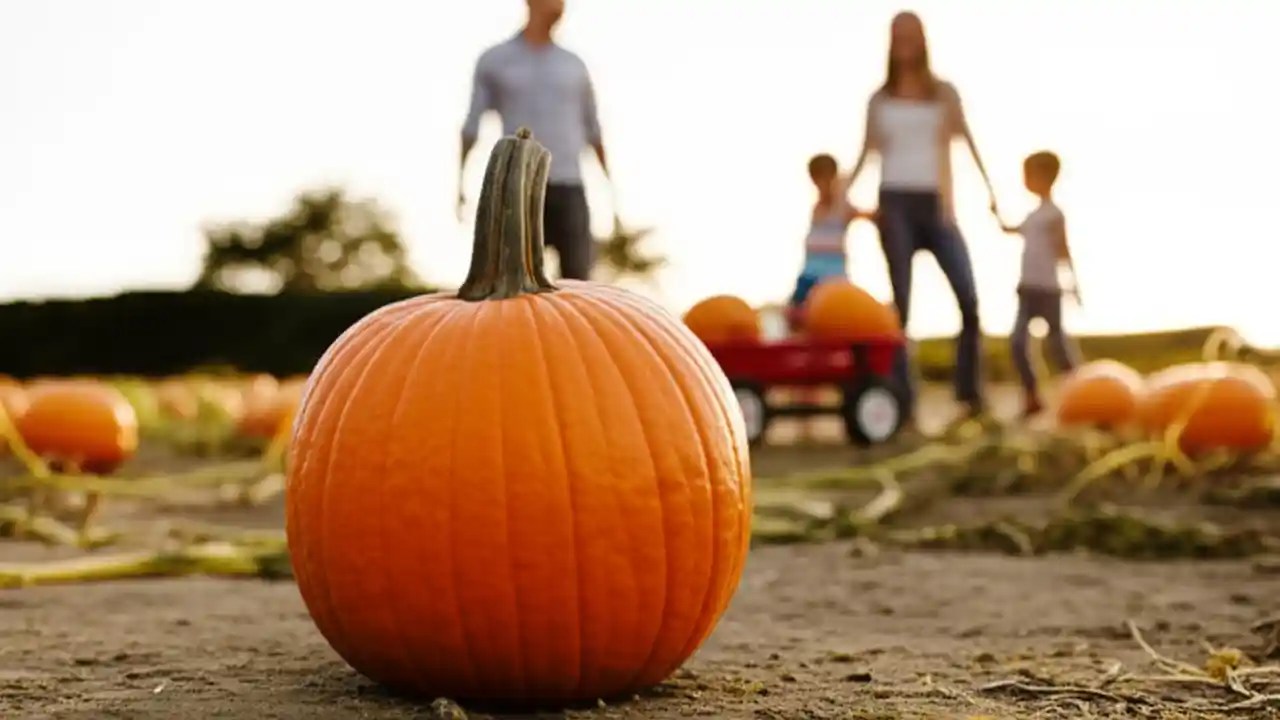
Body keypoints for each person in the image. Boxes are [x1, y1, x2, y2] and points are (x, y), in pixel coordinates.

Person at [840, 11, 999, 426]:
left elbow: (969, 143)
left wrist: (992, 194)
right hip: (894, 205)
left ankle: (969, 393)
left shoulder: (943, 93)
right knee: (901, 309)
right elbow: (866, 152)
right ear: (890, 43)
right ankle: (903, 402)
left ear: (923, 39)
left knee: (968, 300)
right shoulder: (880, 98)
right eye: (898, 36)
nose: (905, 42)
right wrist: (843, 198)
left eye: (911, 35)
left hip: (937, 206)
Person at [458, 0, 611, 280]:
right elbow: (471, 126)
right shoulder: (495, 60)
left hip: (569, 184)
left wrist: (610, 190)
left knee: (579, 283)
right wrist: (461, 184)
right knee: (510, 283)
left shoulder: (574, 66)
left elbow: (593, 129)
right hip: (516, 188)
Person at [997, 150, 1082, 417]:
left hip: (1049, 289)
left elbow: (1063, 249)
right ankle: (1032, 395)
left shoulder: (1054, 215)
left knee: (1058, 346)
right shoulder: (1032, 216)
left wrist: (1074, 283)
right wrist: (995, 215)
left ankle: (1081, 391)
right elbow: (1010, 230)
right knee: (1018, 342)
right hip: (1027, 288)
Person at [787, 153, 870, 329]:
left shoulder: (840, 205)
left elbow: (863, 213)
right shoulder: (817, 206)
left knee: (834, 317)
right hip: (811, 272)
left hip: (834, 275)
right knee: (794, 314)